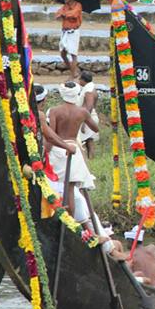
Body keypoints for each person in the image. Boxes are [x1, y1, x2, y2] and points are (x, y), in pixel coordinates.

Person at [45, 81, 100, 220]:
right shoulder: (82, 112)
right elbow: (95, 128)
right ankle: (71, 221)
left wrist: (46, 152)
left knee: (51, 185)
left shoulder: (54, 111)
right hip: (73, 149)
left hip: (58, 149)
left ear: (63, 93)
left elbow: (51, 134)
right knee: (69, 189)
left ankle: (56, 219)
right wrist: (82, 120)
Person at [55, 0, 83, 78]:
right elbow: (57, 14)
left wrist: (64, 14)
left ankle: (72, 76)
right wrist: (64, 14)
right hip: (65, 32)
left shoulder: (78, 5)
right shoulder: (65, 6)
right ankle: (74, 71)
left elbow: (74, 15)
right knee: (63, 53)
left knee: (73, 54)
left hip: (73, 32)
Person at [76, 70, 100, 159]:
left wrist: (84, 122)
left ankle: (90, 160)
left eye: (80, 79)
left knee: (89, 141)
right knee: (88, 141)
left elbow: (89, 107)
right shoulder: (89, 88)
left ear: (83, 80)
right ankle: (90, 159)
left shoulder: (89, 91)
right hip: (88, 117)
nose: (79, 81)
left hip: (88, 118)